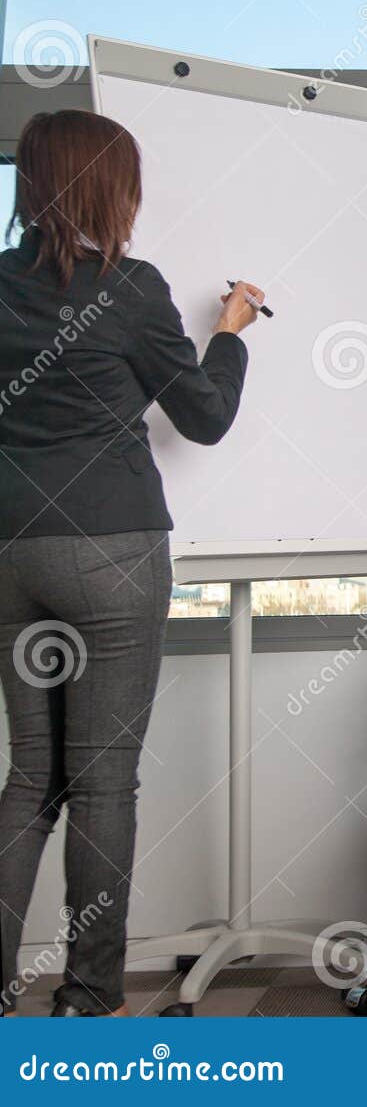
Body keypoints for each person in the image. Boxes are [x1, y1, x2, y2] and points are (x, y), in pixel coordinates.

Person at [0, 110, 265, 1017]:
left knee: (30, 776)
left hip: (13, 556)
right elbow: (203, 416)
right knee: (104, 780)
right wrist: (229, 331)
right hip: (110, 554)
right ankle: (86, 994)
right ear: (108, 189)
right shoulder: (130, 289)